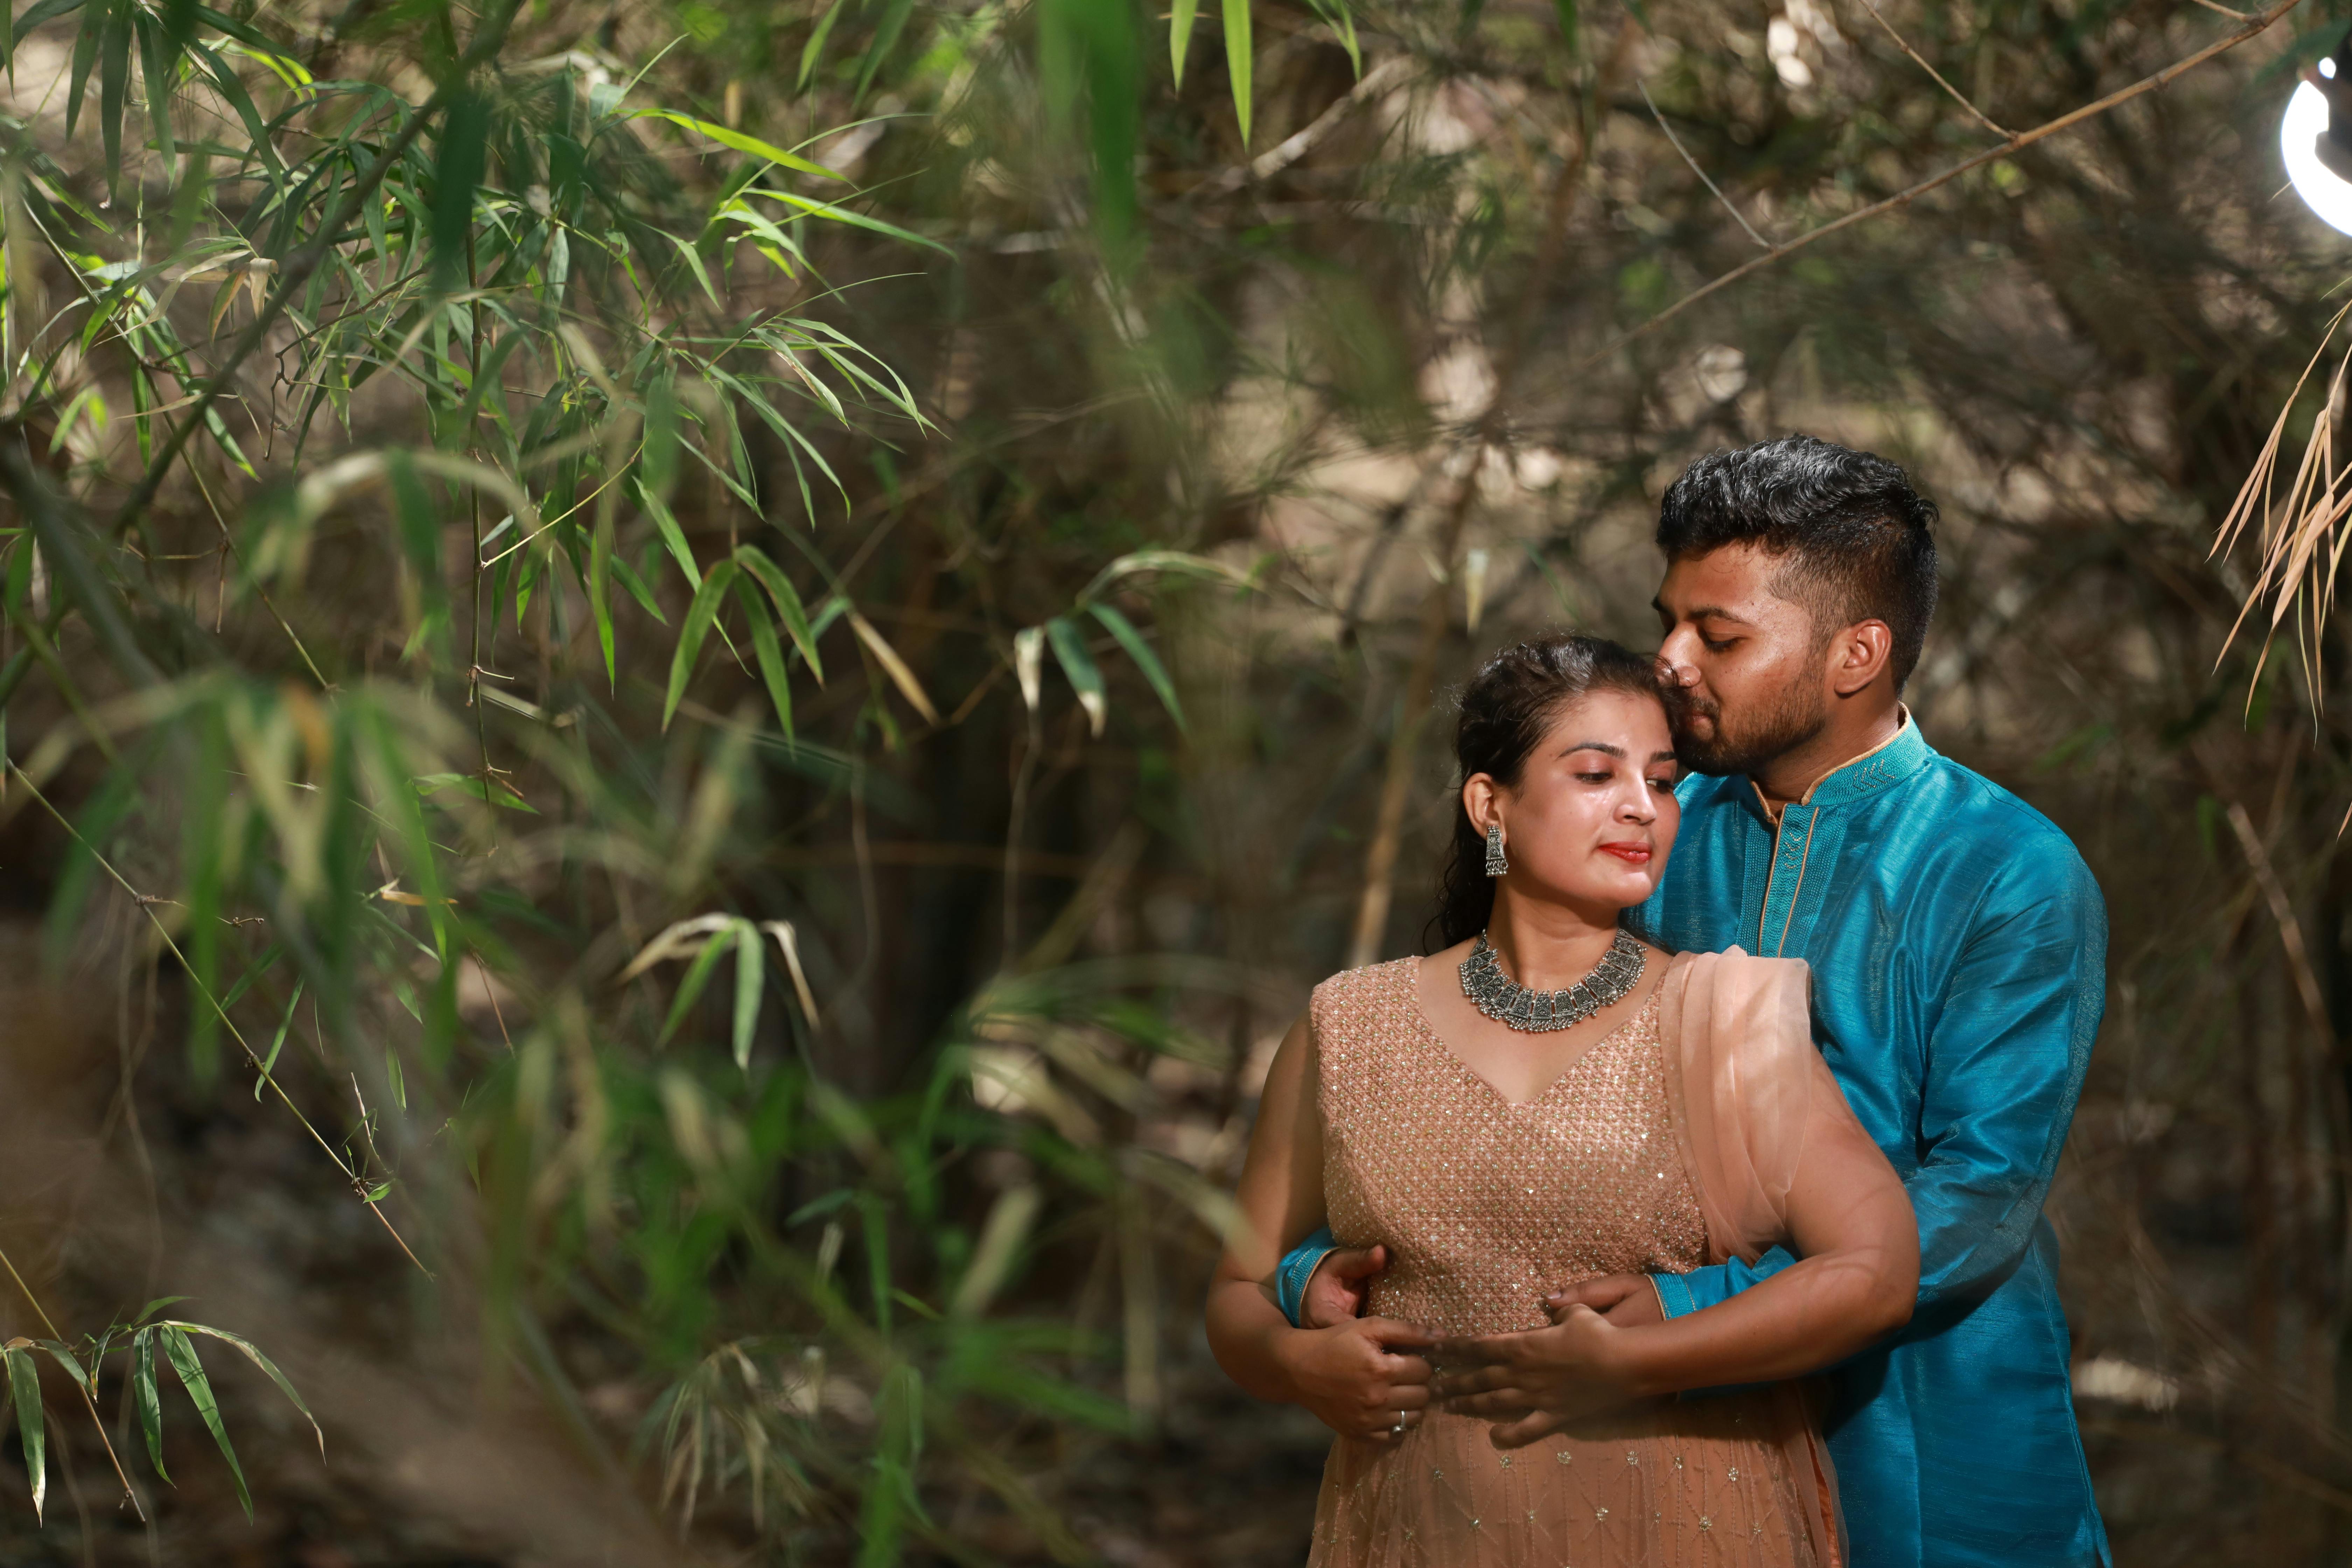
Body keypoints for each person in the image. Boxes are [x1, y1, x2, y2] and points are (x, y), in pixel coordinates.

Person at [1279, 436, 2112, 1568]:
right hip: (1657, 1442)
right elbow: (1492, 1067)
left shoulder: (2008, 868)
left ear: (1857, 653)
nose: (1669, 661)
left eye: (1718, 636)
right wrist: (1320, 1266)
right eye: (1670, 619)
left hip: (1920, 1416)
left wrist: (1694, 1309)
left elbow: (1981, 1195)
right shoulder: (1654, 827)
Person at [1205, 632, 1918, 1568]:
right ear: (1490, 805)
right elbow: (1236, 1289)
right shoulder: (1349, 1028)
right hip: (1424, 1525)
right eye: (1596, 774)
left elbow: (1877, 1273)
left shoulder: (1725, 1020)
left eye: (1662, 782)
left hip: (1686, 1520)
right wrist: (1300, 1367)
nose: (1642, 808)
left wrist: (1640, 1362)